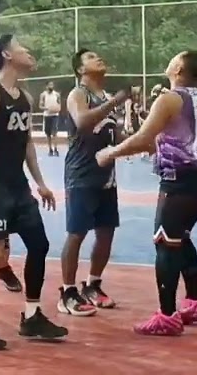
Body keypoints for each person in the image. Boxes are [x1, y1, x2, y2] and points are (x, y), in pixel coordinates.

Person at [96, 50, 197, 336]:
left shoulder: (169, 98)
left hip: (180, 178)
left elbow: (143, 138)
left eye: (175, 57)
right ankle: (195, 300)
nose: (170, 59)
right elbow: (171, 136)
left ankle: (167, 315)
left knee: (165, 241)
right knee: (180, 236)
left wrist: (110, 153)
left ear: (178, 67)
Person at [0, 34, 66, 350]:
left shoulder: (25, 97)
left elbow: (28, 145)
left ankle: (32, 315)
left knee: (39, 244)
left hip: (18, 187)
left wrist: (40, 183)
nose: (29, 52)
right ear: (7, 55)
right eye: (22, 48)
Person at [59, 48, 129, 317]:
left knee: (106, 231)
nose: (98, 58)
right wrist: (117, 102)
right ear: (80, 70)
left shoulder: (107, 97)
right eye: (90, 58)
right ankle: (67, 292)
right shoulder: (79, 94)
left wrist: (146, 138)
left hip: (106, 177)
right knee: (77, 233)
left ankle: (93, 285)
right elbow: (83, 121)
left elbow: (117, 135)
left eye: (99, 55)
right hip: (81, 174)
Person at [39, 83, 62, 156]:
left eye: (52, 85)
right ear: (46, 86)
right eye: (50, 85)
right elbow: (40, 106)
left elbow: (59, 105)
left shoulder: (57, 94)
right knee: (48, 133)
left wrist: (57, 109)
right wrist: (47, 108)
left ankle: (56, 149)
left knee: (54, 133)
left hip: (55, 115)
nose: (51, 86)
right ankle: (50, 149)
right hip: (47, 115)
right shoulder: (43, 95)